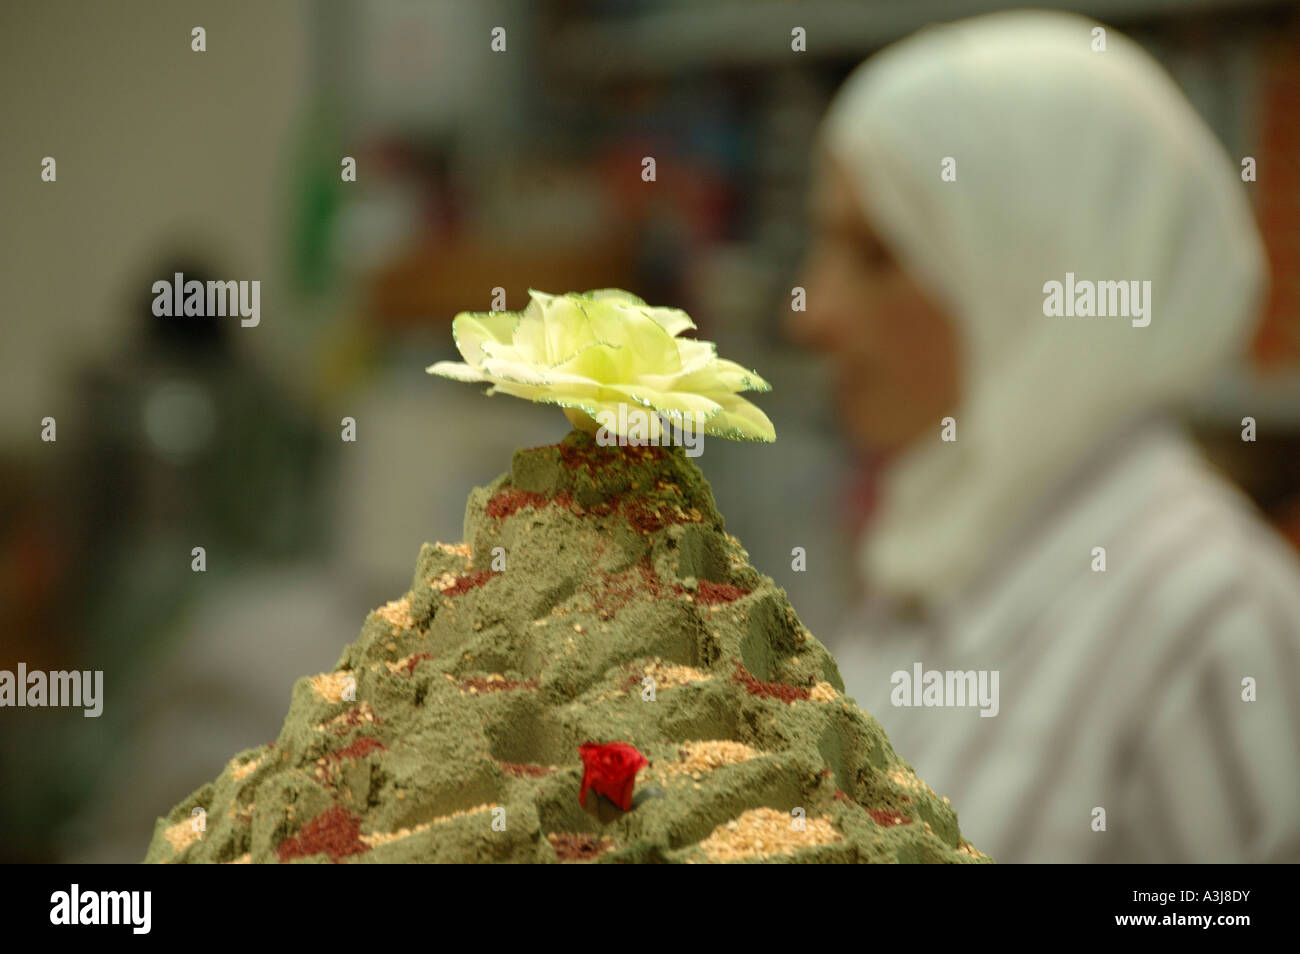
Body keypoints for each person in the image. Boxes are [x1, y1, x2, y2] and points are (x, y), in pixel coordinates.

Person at [792, 9, 1300, 863]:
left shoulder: (1212, 617)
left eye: (875, 255)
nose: (811, 311)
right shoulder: (932, 550)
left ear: (1032, 267)